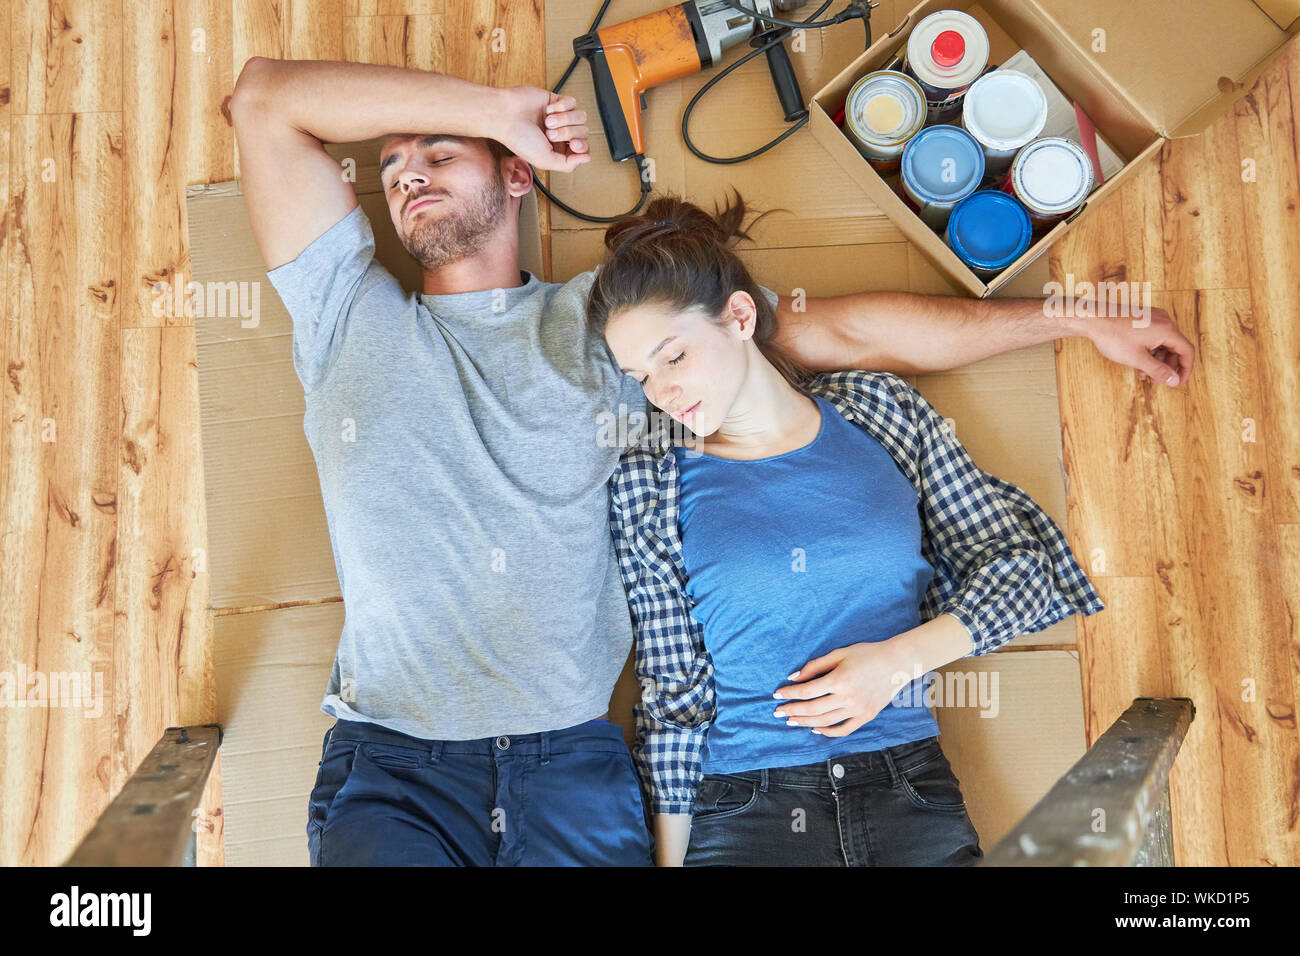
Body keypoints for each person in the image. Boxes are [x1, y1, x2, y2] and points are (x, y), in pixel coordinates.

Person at [229, 56, 1192, 866]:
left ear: (518, 177)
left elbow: (845, 333)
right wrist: (486, 114)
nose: (406, 173)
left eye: (439, 154)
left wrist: (1076, 317)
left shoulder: (616, 333)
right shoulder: (344, 316)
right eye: (391, 162)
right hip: (396, 756)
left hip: (574, 761)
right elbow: (265, 99)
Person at [591, 192, 1106, 866]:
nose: (661, 391)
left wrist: (898, 662)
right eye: (639, 376)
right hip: (745, 810)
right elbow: (672, 699)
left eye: (674, 357)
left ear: (739, 317)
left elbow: (1023, 572)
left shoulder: (879, 412)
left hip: (908, 789)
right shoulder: (649, 481)